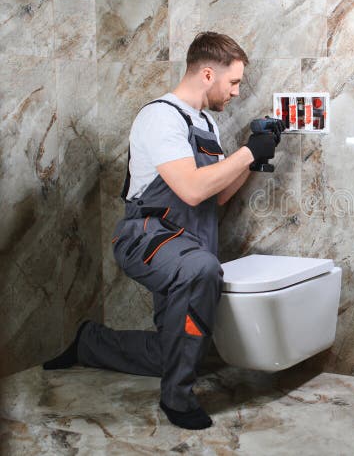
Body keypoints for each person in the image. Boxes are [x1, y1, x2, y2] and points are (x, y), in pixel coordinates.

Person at [42, 32, 282, 430]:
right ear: (208, 74)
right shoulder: (160, 117)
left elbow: (216, 196)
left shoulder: (205, 123)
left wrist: (254, 160)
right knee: (202, 272)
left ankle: (90, 343)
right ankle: (177, 400)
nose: (237, 92)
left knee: (181, 349)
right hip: (148, 237)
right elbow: (190, 189)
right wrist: (246, 152)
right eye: (234, 82)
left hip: (188, 243)